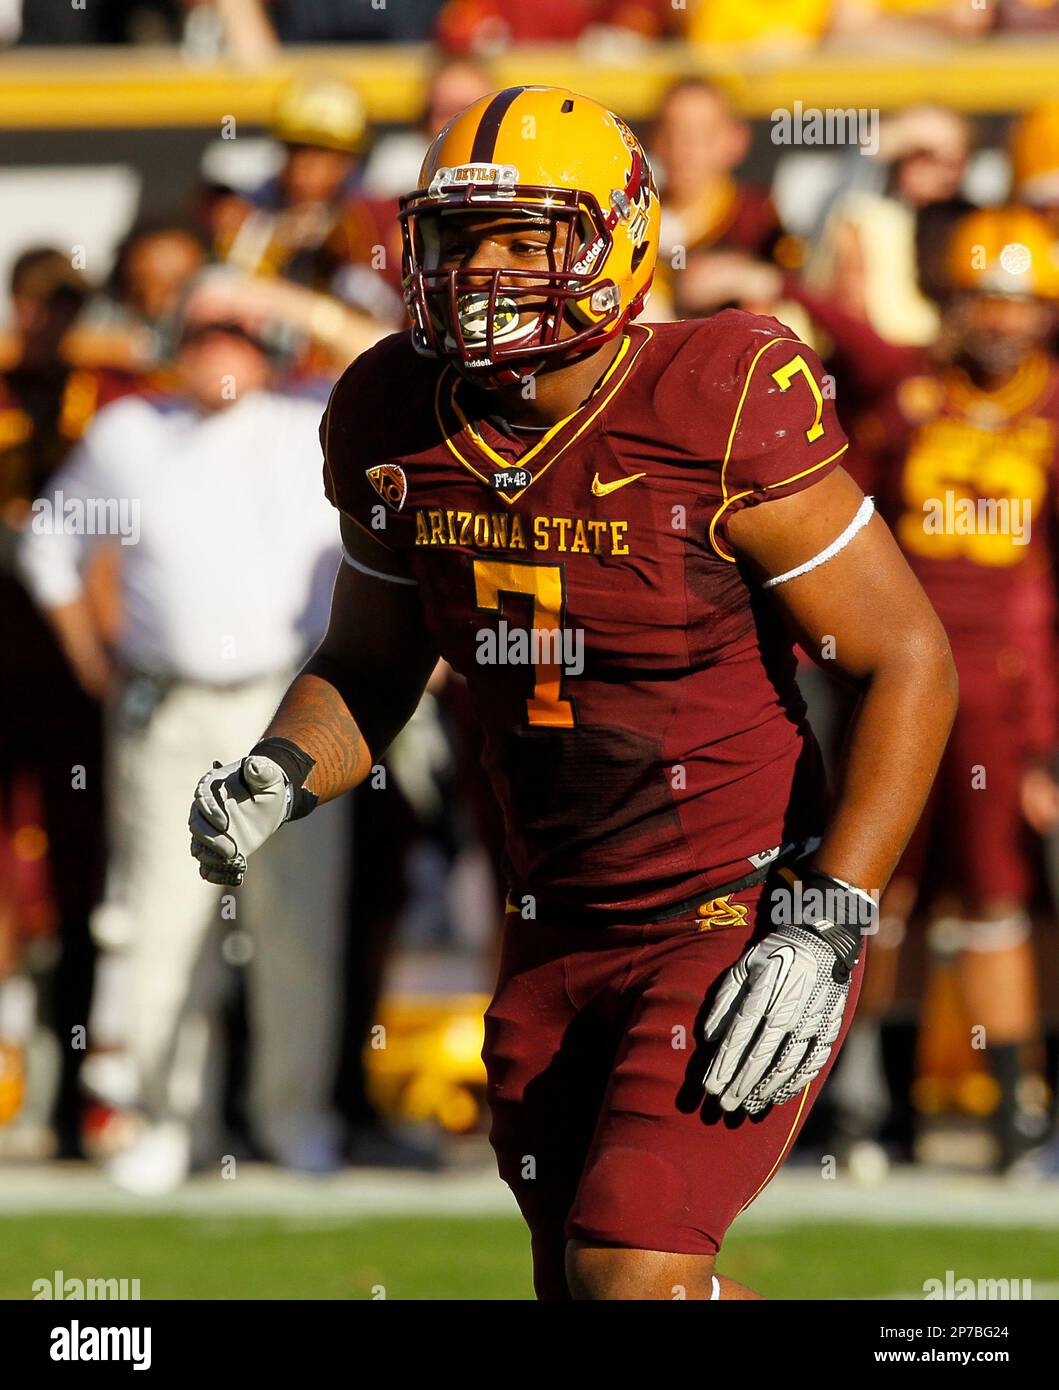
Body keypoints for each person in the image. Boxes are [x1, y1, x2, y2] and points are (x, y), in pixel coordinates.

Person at [188, 87, 956, 1299]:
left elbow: (908, 653)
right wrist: (280, 768)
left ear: (619, 238)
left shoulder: (718, 389)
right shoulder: (397, 409)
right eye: (458, 238)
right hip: (551, 916)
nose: (483, 271)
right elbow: (372, 662)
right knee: (588, 1287)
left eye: (523, 237)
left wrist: (831, 911)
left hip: (735, 908)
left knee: (631, 1270)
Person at [21, 272, 348, 1192]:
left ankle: (294, 1119)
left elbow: (409, 364)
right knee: (167, 921)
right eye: (202, 332)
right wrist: (100, 663)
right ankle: (171, 1119)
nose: (220, 349)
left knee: (296, 923)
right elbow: (52, 547)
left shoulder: (313, 418)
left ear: (269, 340)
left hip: (297, 711)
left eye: (239, 331)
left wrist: (293, 303)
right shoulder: (134, 434)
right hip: (172, 711)